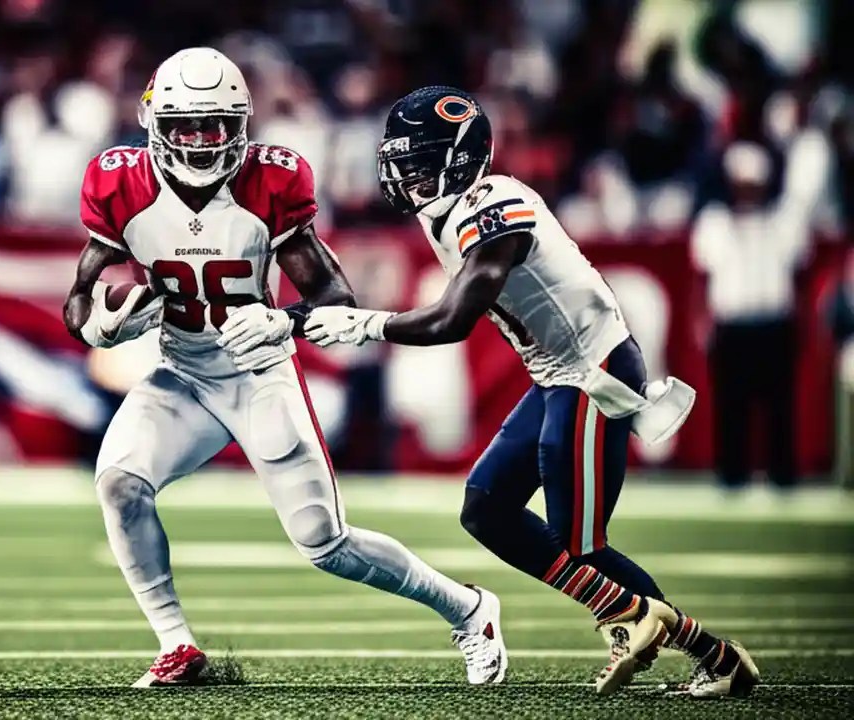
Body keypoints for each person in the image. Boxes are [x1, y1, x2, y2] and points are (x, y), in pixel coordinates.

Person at [63, 50, 506, 688]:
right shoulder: (119, 183)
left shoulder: (270, 180)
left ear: (241, 124)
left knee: (325, 543)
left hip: (258, 374)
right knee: (119, 482)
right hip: (182, 372)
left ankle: (467, 608)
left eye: (215, 126)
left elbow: (334, 294)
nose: (200, 142)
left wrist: (284, 321)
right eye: (186, 126)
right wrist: (98, 327)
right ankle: (176, 644)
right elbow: (80, 298)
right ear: (155, 125)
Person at [302, 86, 760, 698]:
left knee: (580, 546)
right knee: (486, 507)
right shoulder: (448, 213)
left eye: (420, 163)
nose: (407, 177)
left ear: (460, 159)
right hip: (555, 375)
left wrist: (366, 325)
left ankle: (708, 653)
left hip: (592, 372)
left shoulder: (495, 205)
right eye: (402, 164)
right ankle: (639, 617)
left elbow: (453, 320)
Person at [691, 142, 808, 492]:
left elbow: (800, 274)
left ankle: (782, 474)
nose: (747, 191)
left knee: (779, 404)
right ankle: (732, 474)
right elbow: (702, 277)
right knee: (731, 405)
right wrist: (701, 319)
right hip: (732, 324)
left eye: (753, 184)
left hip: (774, 321)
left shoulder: (785, 221)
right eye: (741, 184)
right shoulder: (714, 222)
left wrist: (801, 320)